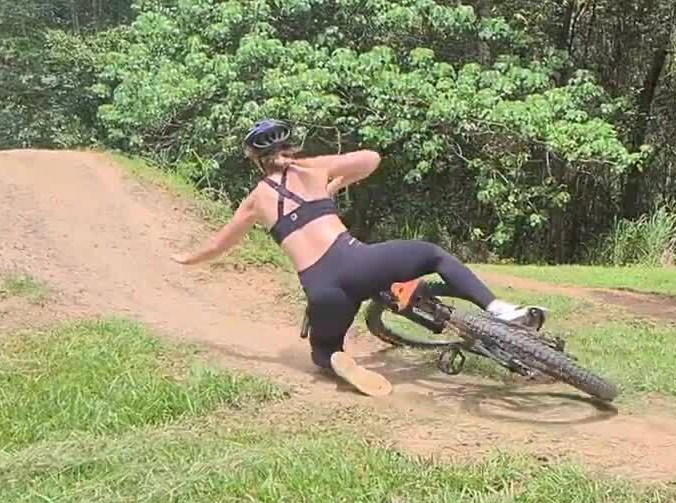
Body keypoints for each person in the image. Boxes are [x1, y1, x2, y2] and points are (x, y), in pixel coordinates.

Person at [169, 118, 534, 397]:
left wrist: (187, 258)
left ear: (256, 163)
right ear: (289, 148)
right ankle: (499, 309)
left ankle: (337, 359)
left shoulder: (254, 201)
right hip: (356, 262)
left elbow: (218, 245)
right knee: (433, 255)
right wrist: (329, 176)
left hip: (321, 289)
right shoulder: (312, 170)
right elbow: (370, 159)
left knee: (323, 348)